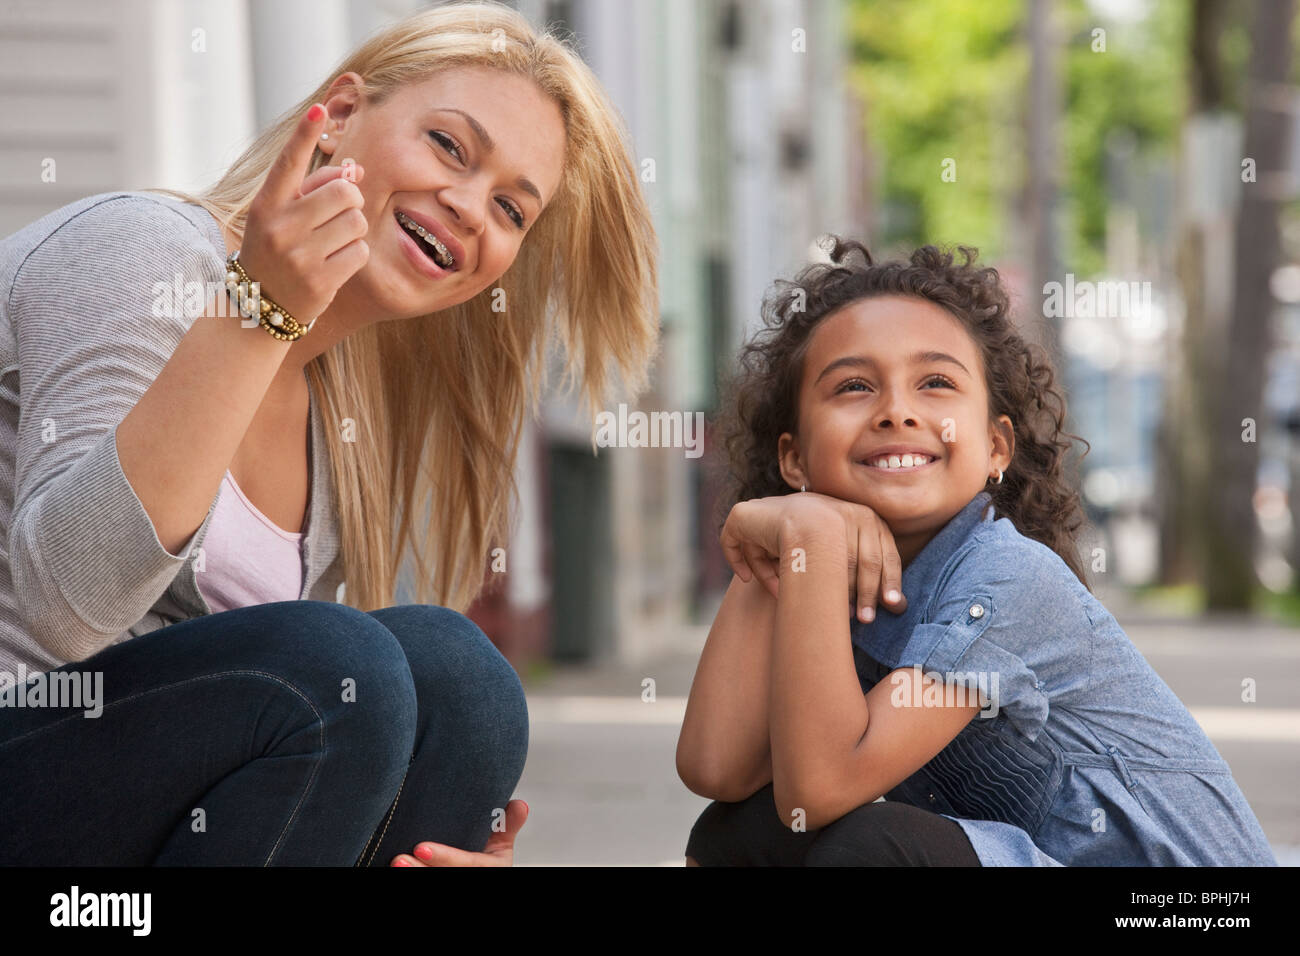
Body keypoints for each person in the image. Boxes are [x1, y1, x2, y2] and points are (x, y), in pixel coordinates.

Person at [0, 1, 658, 866]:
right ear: (341, 114)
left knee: (460, 680)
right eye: (450, 147)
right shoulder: (142, 254)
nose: (467, 205)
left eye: (510, 210)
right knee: (333, 669)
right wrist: (256, 315)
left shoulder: (344, 418)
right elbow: (64, 611)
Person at [677, 238, 1277, 866]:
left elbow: (822, 787)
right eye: (854, 386)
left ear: (996, 448)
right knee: (738, 836)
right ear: (794, 456)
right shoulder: (826, 562)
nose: (897, 412)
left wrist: (810, 535)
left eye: (935, 382)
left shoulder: (1008, 578)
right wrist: (783, 537)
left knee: (870, 850)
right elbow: (717, 767)